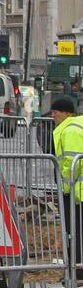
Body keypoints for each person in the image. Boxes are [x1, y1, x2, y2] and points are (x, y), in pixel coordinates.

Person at [50, 97, 83, 278]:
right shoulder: (77, 126)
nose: (53, 115)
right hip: (77, 189)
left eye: (57, 111)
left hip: (77, 190)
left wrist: (65, 180)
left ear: (67, 113)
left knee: (75, 232)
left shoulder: (70, 130)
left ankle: (77, 270)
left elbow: (72, 161)